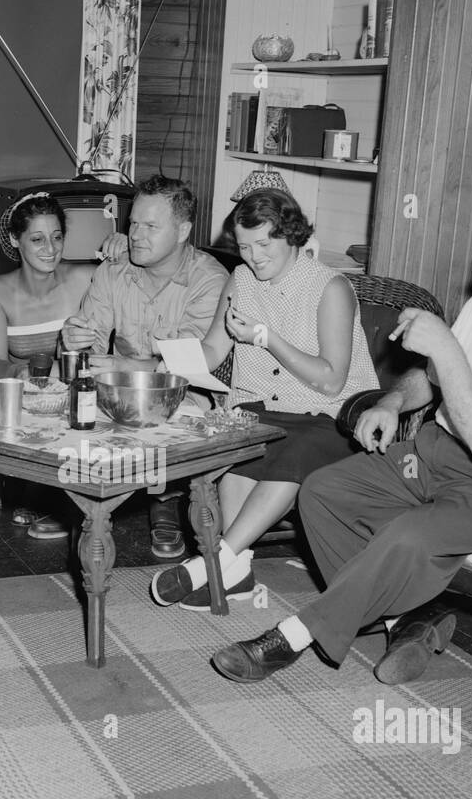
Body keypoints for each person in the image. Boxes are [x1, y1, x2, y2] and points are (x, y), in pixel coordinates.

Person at [210, 196, 472, 684]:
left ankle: (291, 636)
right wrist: (393, 403)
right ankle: (406, 621)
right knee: (324, 491)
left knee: (409, 536)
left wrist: (444, 344)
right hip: (436, 452)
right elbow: (430, 379)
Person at [149, 188, 378, 609]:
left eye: (263, 244)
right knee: (240, 458)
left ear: (291, 235)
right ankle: (236, 574)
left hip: (327, 415)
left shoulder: (331, 288)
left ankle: (212, 565)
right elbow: (214, 350)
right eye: (243, 247)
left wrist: (268, 339)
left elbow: (330, 380)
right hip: (260, 409)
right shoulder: (240, 280)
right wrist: (175, 357)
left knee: (290, 454)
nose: (252, 257)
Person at [61, 174, 228, 560]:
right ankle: (72, 499)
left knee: (177, 412)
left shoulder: (209, 280)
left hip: (184, 394)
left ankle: (163, 502)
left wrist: (124, 366)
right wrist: (75, 340)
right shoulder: (112, 272)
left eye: (151, 226)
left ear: (183, 230)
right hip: (114, 389)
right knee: (70, 391)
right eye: (133, 223)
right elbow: (91, 346)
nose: (136, 234)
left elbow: (190, 364)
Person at [0, 193, 96, 539]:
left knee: (83, 402)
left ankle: (63, 503)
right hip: (24, 393)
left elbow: (138, 272)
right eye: (37, 238)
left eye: (57, 237)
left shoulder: (84, 277)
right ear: (15, 240)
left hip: (75, 391)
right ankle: (45, 495)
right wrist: (19, 375)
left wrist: (121, 250)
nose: (50, 248)